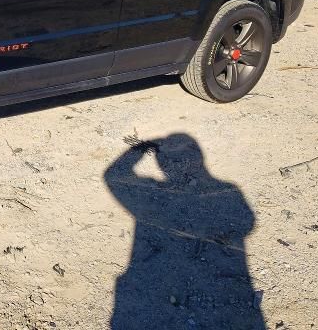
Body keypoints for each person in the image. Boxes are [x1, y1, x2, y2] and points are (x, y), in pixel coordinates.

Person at [104, 133, 265, 329]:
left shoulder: (152, 192)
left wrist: (140, 149)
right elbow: (248, 223)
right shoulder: (228, 189)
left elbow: (111, 176)